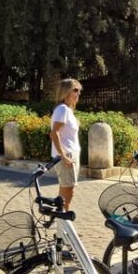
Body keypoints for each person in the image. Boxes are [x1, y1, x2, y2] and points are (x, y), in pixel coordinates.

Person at [49, 78, 82, 211]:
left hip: (70, 155)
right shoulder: (62, 109)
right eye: (75, 90)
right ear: (66, 91)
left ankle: (61, 221)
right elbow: (54, 133)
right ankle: (64, 221)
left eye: (79, 90)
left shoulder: (67, 110)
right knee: (68, 192)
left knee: (66, 191)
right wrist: (63, 155)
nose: (78, 93)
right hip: (66, 156)